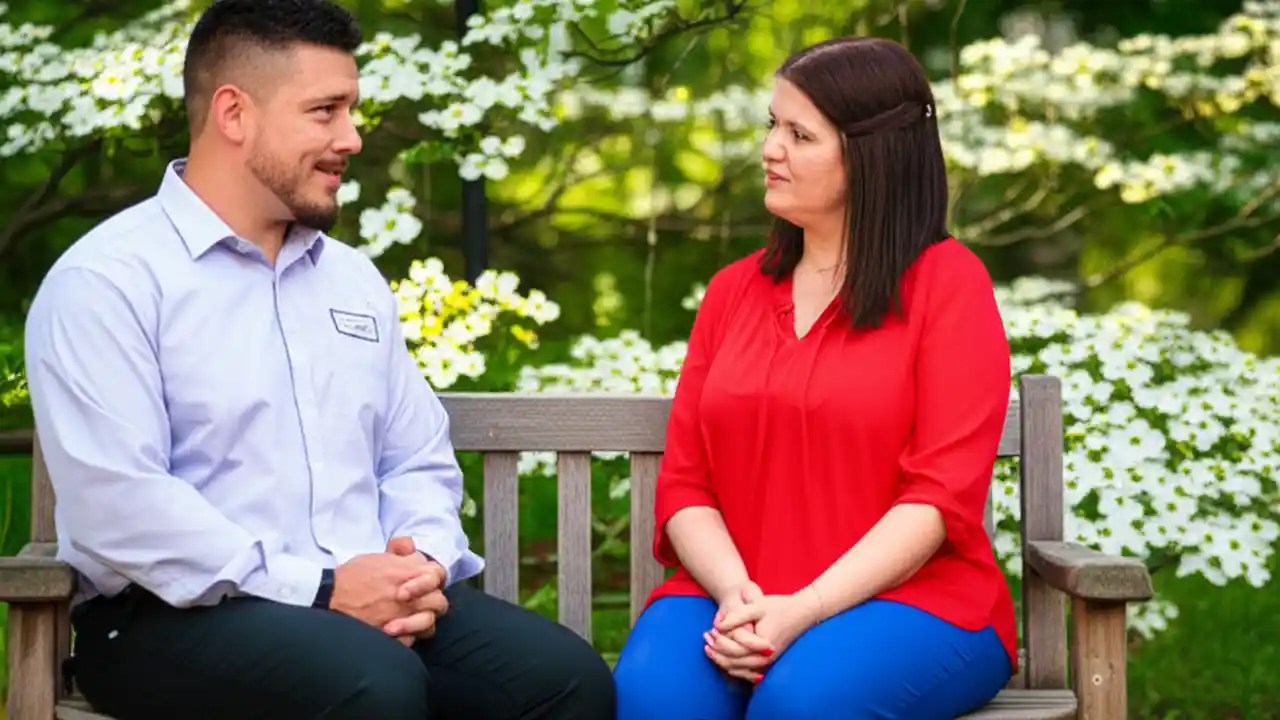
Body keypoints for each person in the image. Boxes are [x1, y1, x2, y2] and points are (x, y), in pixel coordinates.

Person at [22, 1, 614, 718]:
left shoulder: (352, 281)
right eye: (325, 111)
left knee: (564, 679)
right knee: (374, 686)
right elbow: (126, 510)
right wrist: (323, 588)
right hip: (169, 614)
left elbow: (415, 458)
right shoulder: (110, 280)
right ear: (234, 114)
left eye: (352, 110)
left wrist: (418, 563)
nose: (353, 138)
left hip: (367, 600)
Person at [612, 36, 1017, 719]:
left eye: (800, 134)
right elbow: (686, 485)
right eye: (773, 125)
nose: (771, 148)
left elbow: (938, 499)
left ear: (870, 156)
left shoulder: (949, 286)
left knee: (801, 704)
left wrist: (803, 610)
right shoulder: (732, 292)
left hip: (914, 602)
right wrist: (740, 594)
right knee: (656, 700)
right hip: (727, 589)